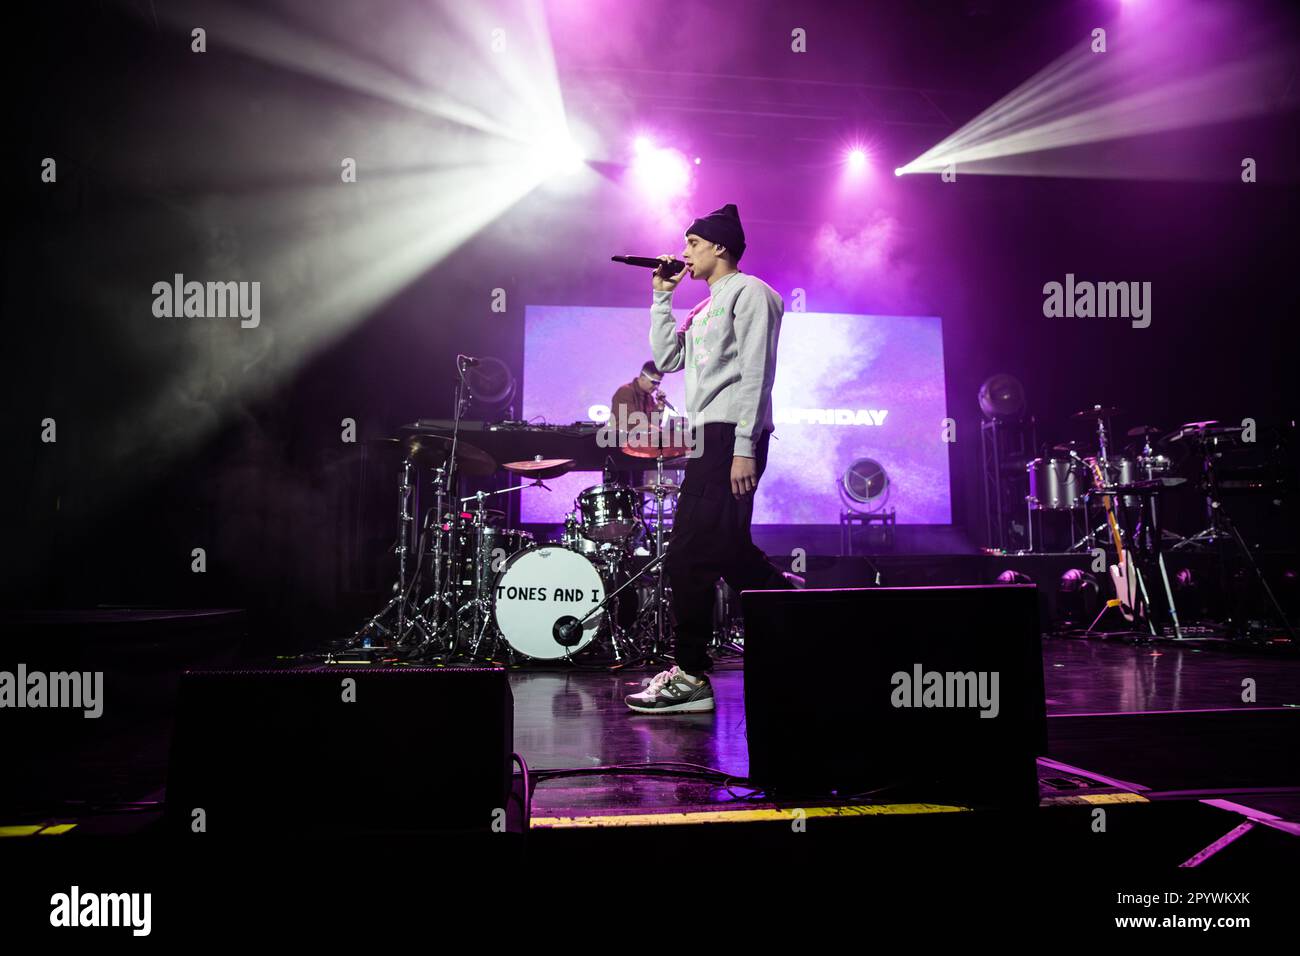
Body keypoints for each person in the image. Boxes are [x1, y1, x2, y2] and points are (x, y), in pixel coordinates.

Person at [625, 203, 793, 714]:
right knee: (728, 552)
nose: (684, 253)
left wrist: (744, 448)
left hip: (730, 437)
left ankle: (692, 674)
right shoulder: (701, 308)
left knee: (687, 555)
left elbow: (755, 374)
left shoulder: (751, 293)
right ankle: (803, 623)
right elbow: (668, 360)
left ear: (720, 246)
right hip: (707, 437)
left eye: (693, 244)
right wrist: (661, 298)